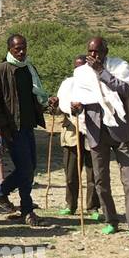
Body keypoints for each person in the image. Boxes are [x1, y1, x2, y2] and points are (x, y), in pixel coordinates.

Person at [71, 36, 129, 236]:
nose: (93, 55)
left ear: (106, 51)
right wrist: (77, 107)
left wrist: (101, 72)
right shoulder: (80, 73)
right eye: (90, 52)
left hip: (119, 129)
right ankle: (111, 220)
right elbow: (78, 100)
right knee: (100, 179)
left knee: (128, 177)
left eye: (97, 51)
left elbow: (125, 90)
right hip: (96, 131)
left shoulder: (119, 66)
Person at [0, 33, 47, 228]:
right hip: (13, 129)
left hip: (28, 126)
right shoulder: (1, 70)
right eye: (17, 49)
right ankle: (27, 210)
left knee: (30, 167)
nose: (21, 52)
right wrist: (3, 129)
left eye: (23, 48)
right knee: (26, 168)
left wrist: (47, 103)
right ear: (10, 49)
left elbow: (36, 96)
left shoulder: (29, 68)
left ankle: (1, 192)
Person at [55, 57, 99, 218]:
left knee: (93, 172)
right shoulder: (67, 84)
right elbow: (59, 108)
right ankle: (70, 204)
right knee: (71, 172)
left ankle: (92, 207)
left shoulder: (94, 83)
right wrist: (54, 106)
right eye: (76, 67)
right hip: (72, 132)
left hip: (92, 132)